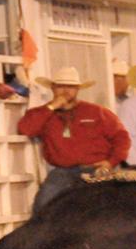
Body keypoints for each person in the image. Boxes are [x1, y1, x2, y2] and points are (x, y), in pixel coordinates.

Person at [18, 66, 129, 212]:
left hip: (97, 170)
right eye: (60, 86)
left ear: (77, 89)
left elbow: (122, 138)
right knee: (42, 207)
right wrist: (52, 106)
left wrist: (110, 162)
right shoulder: (44, 113)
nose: (65, 91)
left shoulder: (98, 112)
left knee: (108, 210)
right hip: (63, 172)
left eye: (70, 87)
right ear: (53, 88)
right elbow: (26, 129)